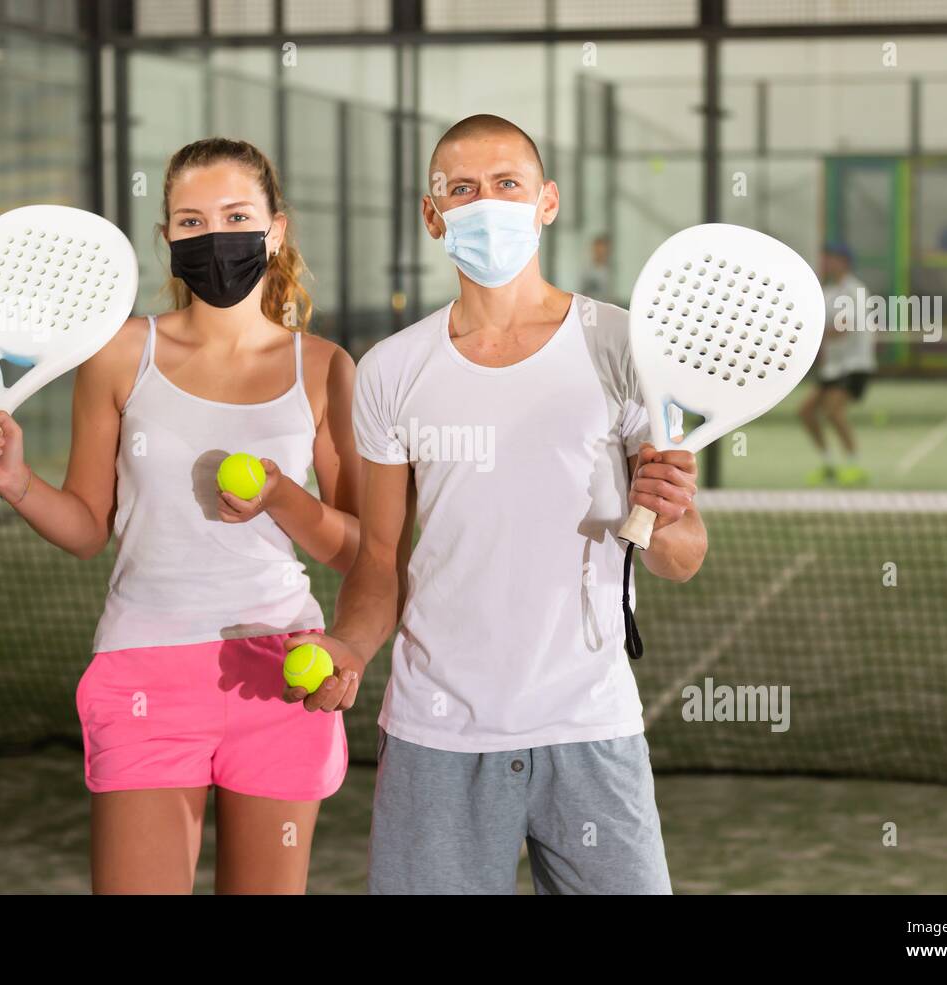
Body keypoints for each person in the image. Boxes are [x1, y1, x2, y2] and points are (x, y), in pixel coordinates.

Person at [285, 114, 707, 894]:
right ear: (432, 211)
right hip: (435, 733)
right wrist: (349, 644)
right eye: (463, 188)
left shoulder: (621, 346)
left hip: (591, 724)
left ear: (546, 201)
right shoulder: (390, 371)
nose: (487, 203)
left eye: (507, 184)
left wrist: (672, 513)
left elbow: (681, 557)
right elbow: (380, 560)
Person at [0, 137, 361, 894]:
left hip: (280, 671)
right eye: (191, 221)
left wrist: (281, 497)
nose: (214, 237)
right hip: (142, 671)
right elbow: (85, 525)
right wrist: (16, 480)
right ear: (167, 240)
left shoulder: (326, 368)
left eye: (236, 215)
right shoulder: (118, 354)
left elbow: (360, 549)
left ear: (275, 229)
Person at [799, 242, 875, 486]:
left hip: (855, 366)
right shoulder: (828, 293)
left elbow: (843, 328)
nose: (828, 262)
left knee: (833, 412)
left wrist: (811, 339)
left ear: (844, 262)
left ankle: (854, 466)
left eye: (832, 258)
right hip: (833, 367)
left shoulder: (856, 291)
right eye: (826, 258)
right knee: (806, 413)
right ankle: (829, 464)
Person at [580, 233, 612, 300]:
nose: (600, 253)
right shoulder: (587, 270)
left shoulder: (612, 271)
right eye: (597, 250)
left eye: (602, 251)